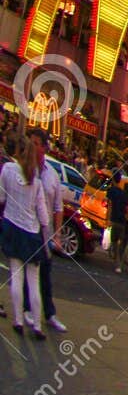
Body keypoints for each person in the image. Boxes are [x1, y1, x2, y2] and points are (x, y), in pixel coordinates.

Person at [0, 138, 51, 338]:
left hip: (13, 227)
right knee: (33, 281)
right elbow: (43, 215)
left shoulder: (8, 171)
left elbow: (1, 198)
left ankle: (18, 321)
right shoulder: (36, 181)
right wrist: (47, 238)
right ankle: (37, 325)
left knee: (16, 277)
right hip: (32, 233)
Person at [30, 133, 67, 333]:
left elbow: (58, 207)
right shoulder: (25, 169)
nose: (33, 147)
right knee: (27, 270)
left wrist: (57, 235)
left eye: (36, 144)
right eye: (31, 143)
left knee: (44, 273)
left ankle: (49, 313)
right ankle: (27, 310)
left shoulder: (52, 175)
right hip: (28, 227)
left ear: (44, 148)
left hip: (45, 232)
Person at [105, 170, 128, 274]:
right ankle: (122, 259)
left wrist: (108, 219)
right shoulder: (123, 193)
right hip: (122, 222)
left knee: (114, 242)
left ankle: (117, 263)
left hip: (115, 220)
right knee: (122, 242)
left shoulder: (111, 191)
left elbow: (110, 205)